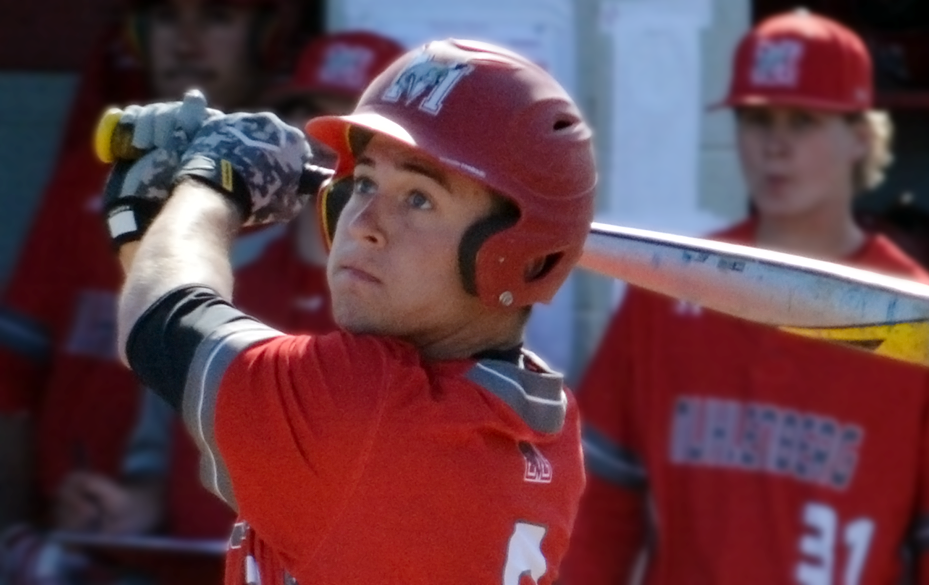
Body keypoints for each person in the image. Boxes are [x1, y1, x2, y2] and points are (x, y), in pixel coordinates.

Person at [559, 10, 929, 585]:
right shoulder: (671, 289)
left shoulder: (922, 323)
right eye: (757, 119)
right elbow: (597, 515)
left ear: (861, 137)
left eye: (803, 121)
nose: (775, 146)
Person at [102, 38, 594, 583]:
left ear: (518, 257)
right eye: (364, 182)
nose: (364, 224)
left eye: (418, 198)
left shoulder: (367, 408)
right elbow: (165, 321)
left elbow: (160, 321)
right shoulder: (541, 417)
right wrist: (154, 225)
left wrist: (214, 184)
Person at [43, 31, 404, 585]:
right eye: (309, 120)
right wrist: (127, 508)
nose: (330, 162)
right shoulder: (222, 270)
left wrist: (205, 192)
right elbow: (160, 450)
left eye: (353, 138)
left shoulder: (413, 312)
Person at [0, 0, 308, 579]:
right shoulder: (89, 184)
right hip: (82, 548)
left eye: (217, 18)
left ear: (268, 39)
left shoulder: (307, 205)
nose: (187, 42)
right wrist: (11, 537)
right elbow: (11, 376)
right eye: (166, 19)